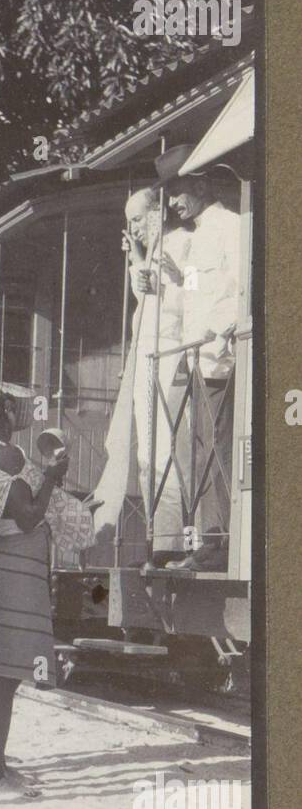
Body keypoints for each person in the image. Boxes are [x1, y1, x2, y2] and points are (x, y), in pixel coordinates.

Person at [0, 387, 83, 796]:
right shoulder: (8, 456)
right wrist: (50, 475)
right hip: (15, 572)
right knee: (7, 676)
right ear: (5, 416)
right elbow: (30, 516)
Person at [89, 187, 192, 563]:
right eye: (128, 221)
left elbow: (190, 294)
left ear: (157, 212)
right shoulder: (149, 253)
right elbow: (143, 306)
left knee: (165, 447)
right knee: (146, 451)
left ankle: (173, 539)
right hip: (146, 359)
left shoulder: (184, 243)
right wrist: (137, 256)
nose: (133, 227)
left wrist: (172, 280)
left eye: (137, 218)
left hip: (169, 356)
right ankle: (159, 536)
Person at [159, 150, 241, 571]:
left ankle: (220, 542)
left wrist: (222, 331)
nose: (172, 204)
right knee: (196, 450)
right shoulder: (195, 239)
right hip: (194, 360)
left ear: (202, 186)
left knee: (218, 449)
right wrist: (176, 276)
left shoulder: (232, 226)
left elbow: (242, 288)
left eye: (177, 193)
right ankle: (206, 541)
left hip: (217, 360)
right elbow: (196, 293)